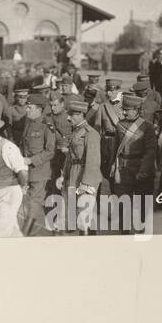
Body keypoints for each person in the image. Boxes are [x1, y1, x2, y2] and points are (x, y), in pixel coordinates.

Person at [109, 93, 158, 231]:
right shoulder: (119, 124)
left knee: (143, 208)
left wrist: (143, 171)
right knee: (122, 206)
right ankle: (124, 236)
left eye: (127, 110)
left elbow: (151, 152)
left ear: (136, 110)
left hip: (141, 170)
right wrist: (113, 167)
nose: (124, 112)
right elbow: (115, 149)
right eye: (123, 109)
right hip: (123, 170)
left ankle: (143, 236)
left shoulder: (147, 127)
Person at [58, 98, 102, 234]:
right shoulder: (76, 132)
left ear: (80, 115)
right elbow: (70, 158)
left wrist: (86, 183)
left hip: (86, 176)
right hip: (74, 174)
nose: (68, 118)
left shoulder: (91, 134)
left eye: (71, 115)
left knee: (84, 214)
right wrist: (63, 176)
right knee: (76, 212)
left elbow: (93, 161)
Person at [18, 94, 55, 236]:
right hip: (27, 170)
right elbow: (24, 145)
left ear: (39, 109)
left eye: (30, 107)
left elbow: (50, 152)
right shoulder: (28, 123)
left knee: (34, 203)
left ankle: (25, 234)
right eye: (27, 107)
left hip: (40, 172)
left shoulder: (47, 125)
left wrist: (31, 160)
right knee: (30, 201)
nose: (26, 110)